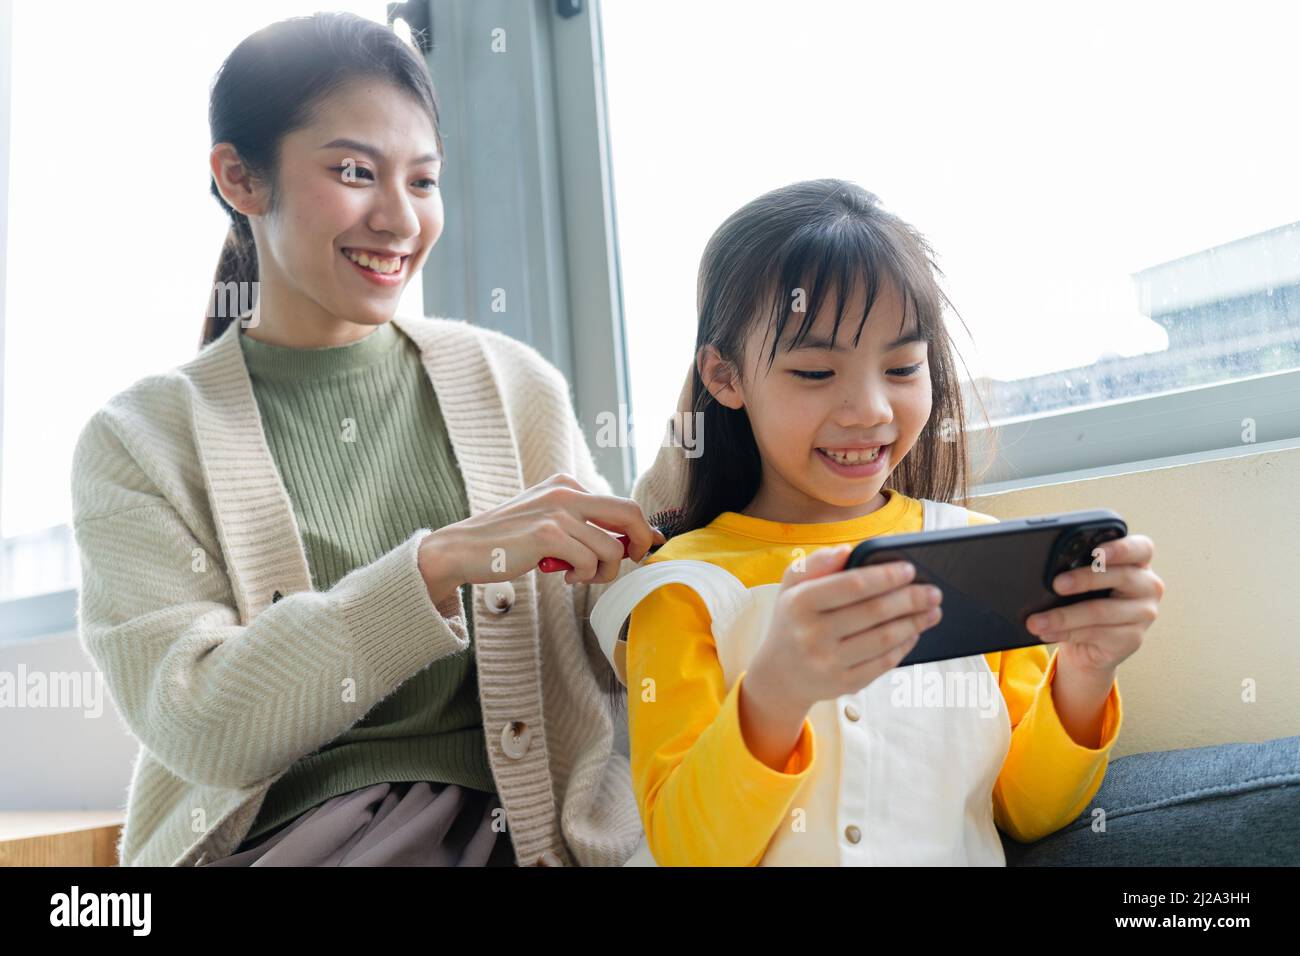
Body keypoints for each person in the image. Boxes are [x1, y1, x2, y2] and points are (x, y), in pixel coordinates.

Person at [68, 11, 683, 867]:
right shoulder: (139, 441)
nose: (399, 220)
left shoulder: (514, 385)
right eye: (355, 171)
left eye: (423, 181)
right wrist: (433, 567)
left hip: (536, 836)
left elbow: (610, 638)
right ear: (240, 178)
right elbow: (201, 726)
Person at [619, 179, 1167, 866]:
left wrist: (1085, 675)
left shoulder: (978, 551)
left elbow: (1026, 810)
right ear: (724, 378)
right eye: (816, 372)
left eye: (903, 367)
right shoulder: (682, 586)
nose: (871, 409)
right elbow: (687, 849)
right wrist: (776, 691)